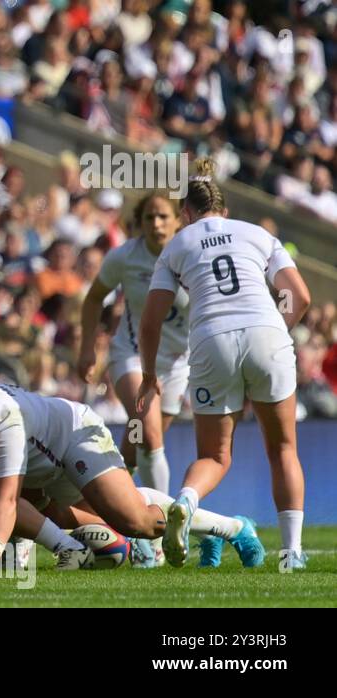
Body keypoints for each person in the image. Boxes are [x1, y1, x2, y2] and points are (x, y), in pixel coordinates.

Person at [137, 158, 312, 571]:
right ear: (225, 211)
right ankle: (291, 554)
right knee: (283, 448)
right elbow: (300, 296)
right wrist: (275, 330)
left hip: (211, 339)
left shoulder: (176, 245)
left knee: (215, 456)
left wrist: (149, 376)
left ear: (185, 214)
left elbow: (150, 321)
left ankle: (186, 501)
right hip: (266, 332)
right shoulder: (257, 233)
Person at [0, 377, 265, 573]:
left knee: (133, 520)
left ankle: (232, 528)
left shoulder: (5, 428)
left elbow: (6, 500)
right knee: (62, 513)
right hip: (42, 457)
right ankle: (198, 529)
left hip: (73, 437)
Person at [77, 192, 188, 540]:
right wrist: (86, 349)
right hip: (132, 355)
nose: (156, 223)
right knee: (149, 433)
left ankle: (91, 512)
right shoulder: (125, 256)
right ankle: (162, 532)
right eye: (149, 218)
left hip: (175, 364)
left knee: (135, 450)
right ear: (139, 224)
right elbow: (95, 297)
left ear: (178, 220)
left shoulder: (193, 255)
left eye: (163, 217)